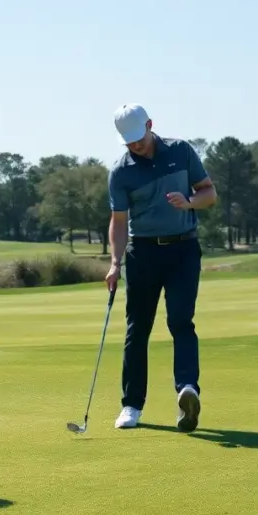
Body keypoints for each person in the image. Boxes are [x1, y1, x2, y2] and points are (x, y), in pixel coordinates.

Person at [105, 104, 217, 432]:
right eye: (128, 141)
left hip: (183, 248)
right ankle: (131, 405)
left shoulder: (180, 151)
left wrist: (190, 202)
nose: (135, 145)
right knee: (137, 329)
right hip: (142, 253)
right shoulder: (121, 171)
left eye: (138, 138)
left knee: (181, 320)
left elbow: (209, 193)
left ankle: (188, 390)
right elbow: (119, 221)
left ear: (150, 126)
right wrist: (114, 263)